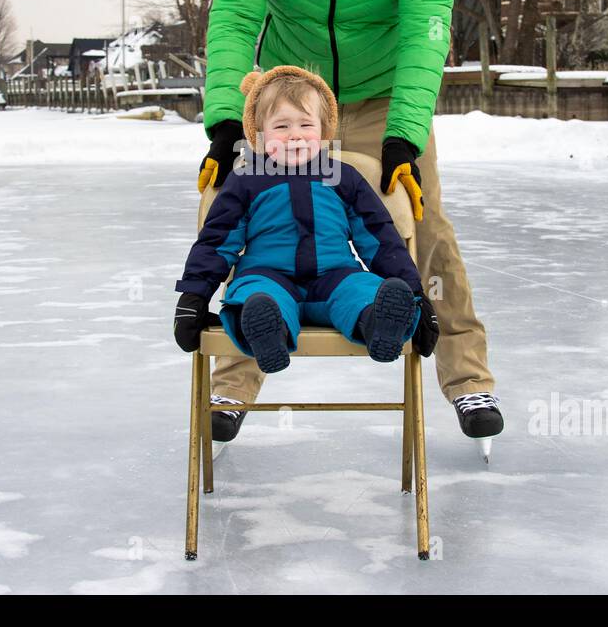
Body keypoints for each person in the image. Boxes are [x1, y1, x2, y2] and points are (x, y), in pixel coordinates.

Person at [195, 0, 502, 443]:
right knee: (252, 217)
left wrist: (405, 135)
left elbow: (426, 26)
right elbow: (235, 14)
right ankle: (232, 386)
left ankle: (468, 380)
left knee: (425, 225)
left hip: (383, 92)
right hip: (287, 98)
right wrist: (226, 118)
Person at [174, 66, 438, 409]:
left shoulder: (344, 178)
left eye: (306, 125)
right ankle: (270, 332)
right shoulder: (247, 180)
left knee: (362, 289)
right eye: (281, 126)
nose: (294, 136)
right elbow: (216, 242)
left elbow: (380, 239)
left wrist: (415, 291)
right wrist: (194, 296)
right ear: (259, 133)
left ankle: (379, 322)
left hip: (335, 275)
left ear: (325, 129)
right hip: (267, 275)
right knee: (254, 294)